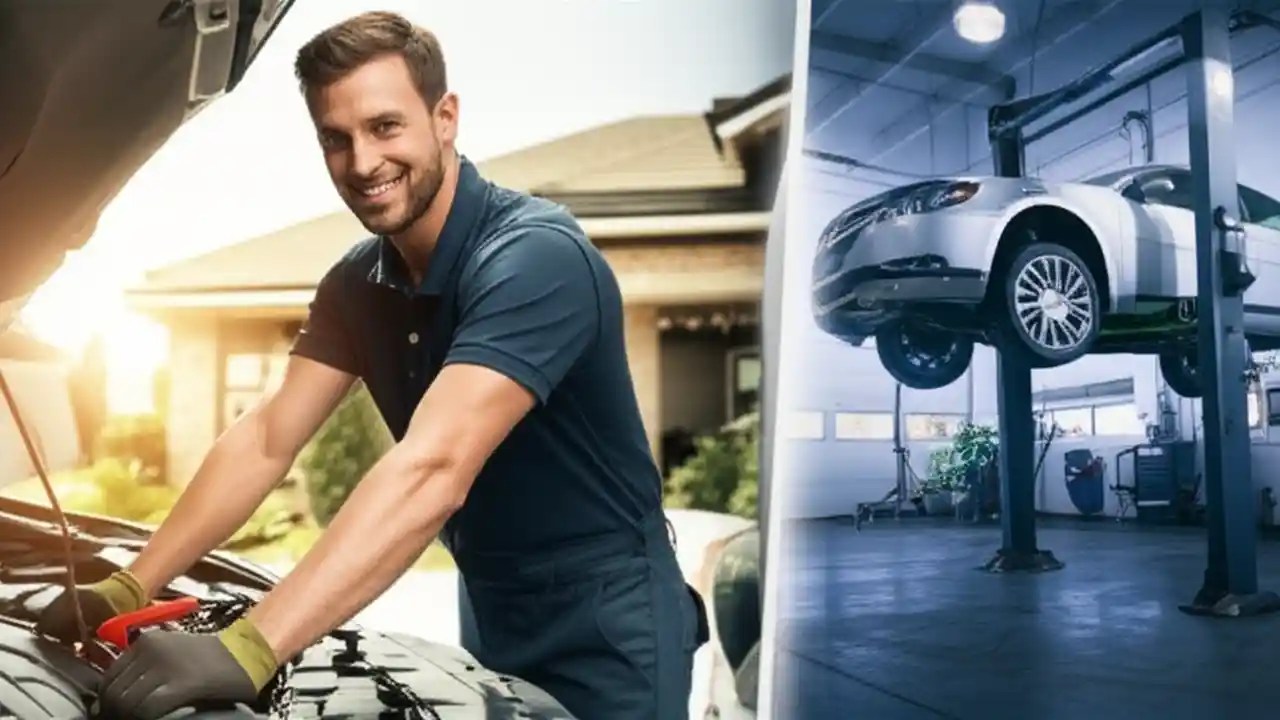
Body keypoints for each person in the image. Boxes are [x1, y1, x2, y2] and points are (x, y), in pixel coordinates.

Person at [36, 11, 706, 719]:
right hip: (492, 602)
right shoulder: (358, 285)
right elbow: (268, 437)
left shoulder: (536, 259)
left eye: (386, 127)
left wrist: (253, 644)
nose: (361, 163)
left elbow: (434, 469)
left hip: (608, 619)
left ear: (444, 118)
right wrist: (135, 581)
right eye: (336, 138)